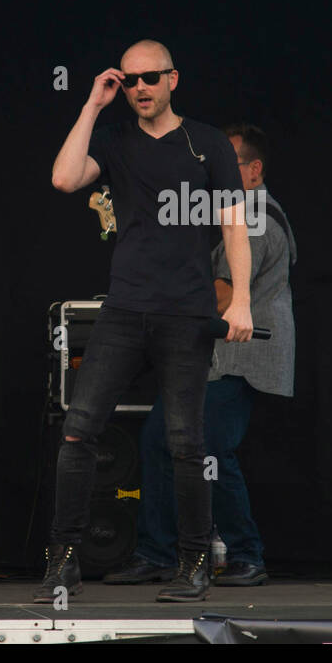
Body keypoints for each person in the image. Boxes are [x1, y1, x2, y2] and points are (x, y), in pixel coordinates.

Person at [39, 39, 253, 603]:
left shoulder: (206, 143)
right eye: (130, 80)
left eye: (150, 79)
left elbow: (234, 225)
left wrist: (243, 300)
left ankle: (193, 564)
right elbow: (63, 179)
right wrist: (91, 105)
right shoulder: (115, 139)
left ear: (173, 80)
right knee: (78, 429)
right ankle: (62, 564)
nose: (139, 89)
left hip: (187, 312)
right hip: (125, 309)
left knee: (186, 442)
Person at [107, 124, 295, 588]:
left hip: (239, 357)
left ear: (253, 171)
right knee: (157, 440)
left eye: (229, 166)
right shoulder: (233, 212)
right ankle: (156, 553)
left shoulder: (254, 217)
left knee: (211, 448)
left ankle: (247, 554)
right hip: (212, 359)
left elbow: (222, 294)